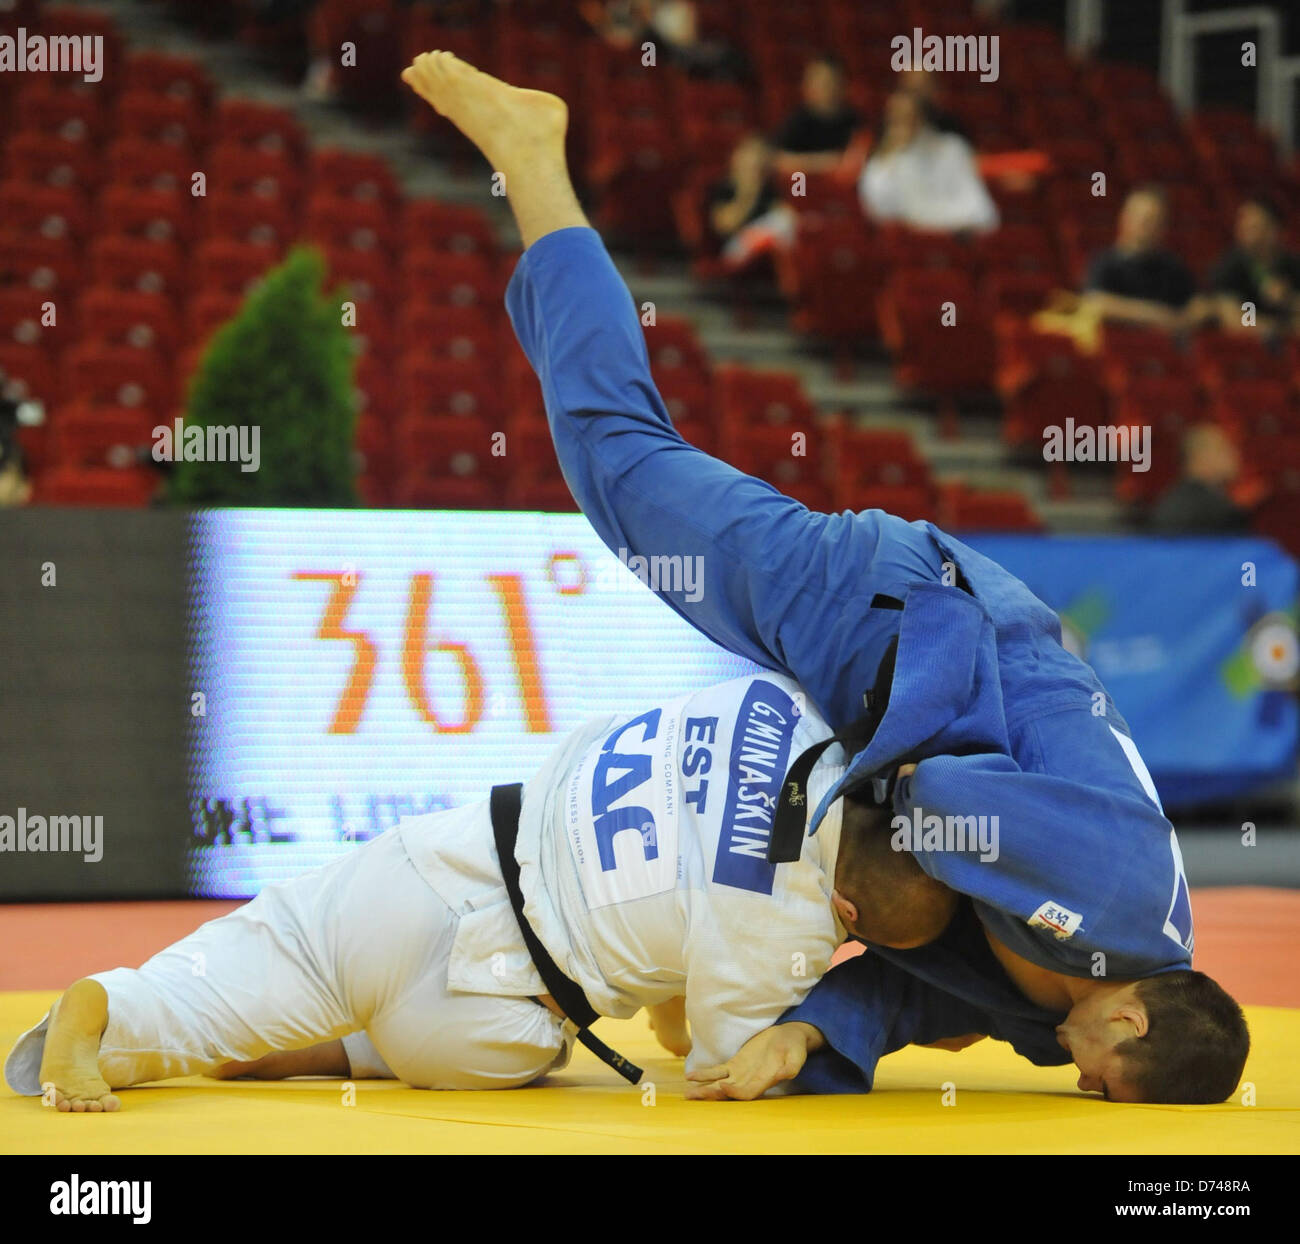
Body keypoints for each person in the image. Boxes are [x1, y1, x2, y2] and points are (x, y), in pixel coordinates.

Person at [394, 52, 1248, 1105]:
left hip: (900, 652)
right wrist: (825, 842)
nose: (1082, 1084)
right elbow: (940, 801)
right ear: (1131, 1020)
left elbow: (919, 996)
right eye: (1106, 1082)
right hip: (893, 620)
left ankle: (543, 222)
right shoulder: (1112, 891)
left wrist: (805, 1031)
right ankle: (533, 160)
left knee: (614, 468)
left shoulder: (1086, 982)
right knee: (619, 462)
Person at [4, 668, 961, 1111]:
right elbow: (696, 1056)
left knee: (245, 968)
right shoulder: (783, 927)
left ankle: (117, 1013)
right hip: (498, 1024)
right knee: (532, 1044)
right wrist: (794, 1017)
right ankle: (331, 1052)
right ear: (849, 918)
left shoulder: (781, 704)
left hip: (442, 864)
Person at [858, 91, 998, 234]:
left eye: (908, 118)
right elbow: (876, 208)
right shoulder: (883, 160)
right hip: (905, 240)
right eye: (894, 120)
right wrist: (892, 157)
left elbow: (982, 211)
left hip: (949, 237)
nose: (900, 127)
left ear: (923, 119)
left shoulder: (952, 149)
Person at [1083, 186, 1203, 332]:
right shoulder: (1106, 262)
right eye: (1143, 218)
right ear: (1124, 218)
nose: (1148, 226)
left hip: (1167, 343)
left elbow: (1197, 303)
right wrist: (1156, 315)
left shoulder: (1173, 266)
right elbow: (1095, 303)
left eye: (1155, 220)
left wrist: (1189, 317)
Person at [1208, 196, 1300, 337]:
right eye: (1243, 226)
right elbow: (1236, 322)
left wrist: (1288, 299)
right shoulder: (1230, 268)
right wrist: (1283, 328)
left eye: (1254, 227)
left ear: (1273, 230)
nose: (1244, 233)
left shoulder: (1292, 265)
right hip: (1250, 347)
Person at [706, 133, 795, 268]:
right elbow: (724, 226)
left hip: (769, 246)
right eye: (750, 155)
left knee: (789, 221)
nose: (755, 161)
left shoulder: (770, 188)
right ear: (737, 158)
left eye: (759, 155)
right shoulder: (725, 188)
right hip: (735, 248)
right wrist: (748, 193)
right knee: (784, 221)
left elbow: (783, 216)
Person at [1149, 422, 1254, 534]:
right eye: (1223, 449)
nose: (1235, 454)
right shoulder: (1210, 512)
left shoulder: (1175, 502)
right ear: (1200, 457)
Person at [771, 56, 862, 177]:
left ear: (842, 84)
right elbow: (779, 160)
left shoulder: (855, 122)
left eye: (829, 81)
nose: (825, 88)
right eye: (818, 81)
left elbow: (858, 161)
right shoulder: (797, 121)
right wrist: (824, 162)